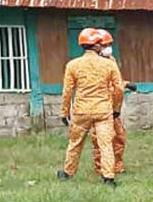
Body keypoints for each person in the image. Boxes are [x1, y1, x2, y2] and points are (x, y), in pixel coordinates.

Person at [57, 28, 124, 186]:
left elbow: (67, 91)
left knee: (75, 143)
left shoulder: (73, 65)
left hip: (81, 111)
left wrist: (64, 112)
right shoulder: (109, 65)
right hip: (103, 111)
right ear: (97, 46)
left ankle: (68, 172)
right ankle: (108, 177)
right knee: (105, 144)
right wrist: (116, 108)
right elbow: (119, 88)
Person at [90, 37, 136, 176]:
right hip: (100, 105)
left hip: (113, 106)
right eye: (105, 45)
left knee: (119, 137)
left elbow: (116, 80)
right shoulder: (92, 64)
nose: (108, 47)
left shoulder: (111, 60)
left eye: (110, 44)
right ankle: (101, 168)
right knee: (100, 139)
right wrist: (123, 86)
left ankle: (117, 166)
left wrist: (125, 83)